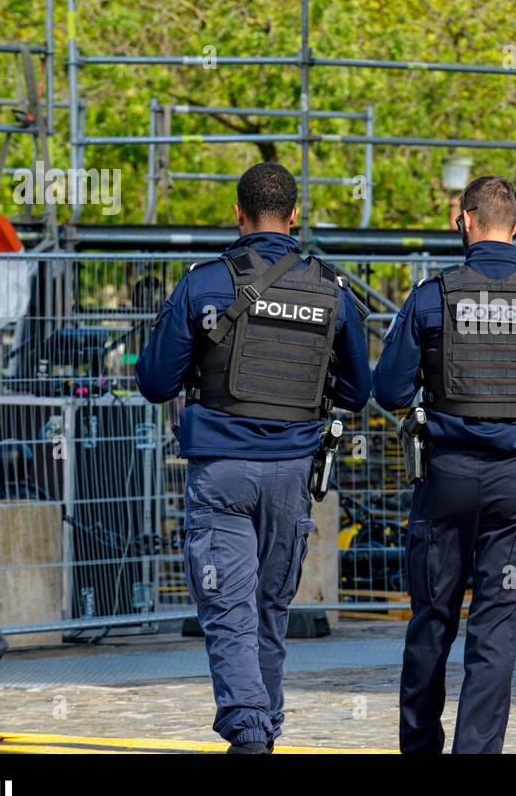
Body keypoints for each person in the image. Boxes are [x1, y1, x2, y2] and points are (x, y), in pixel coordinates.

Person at [136, 161, 371, 753]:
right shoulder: (331, 290)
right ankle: (264, 725)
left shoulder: (204, 283)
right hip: (293, 473)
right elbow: (358, 390)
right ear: (295, 217)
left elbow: (155, 381)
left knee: (229, 610)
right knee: (269, 609)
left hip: (220, 470)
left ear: (237, 214)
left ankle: (249, 733)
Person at [372, 175, 516, 754]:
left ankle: (419, 747)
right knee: (497, 630)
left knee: (431, 621)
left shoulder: (430, 296)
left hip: (445, 478)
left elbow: (390, 389)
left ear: (463, 221)